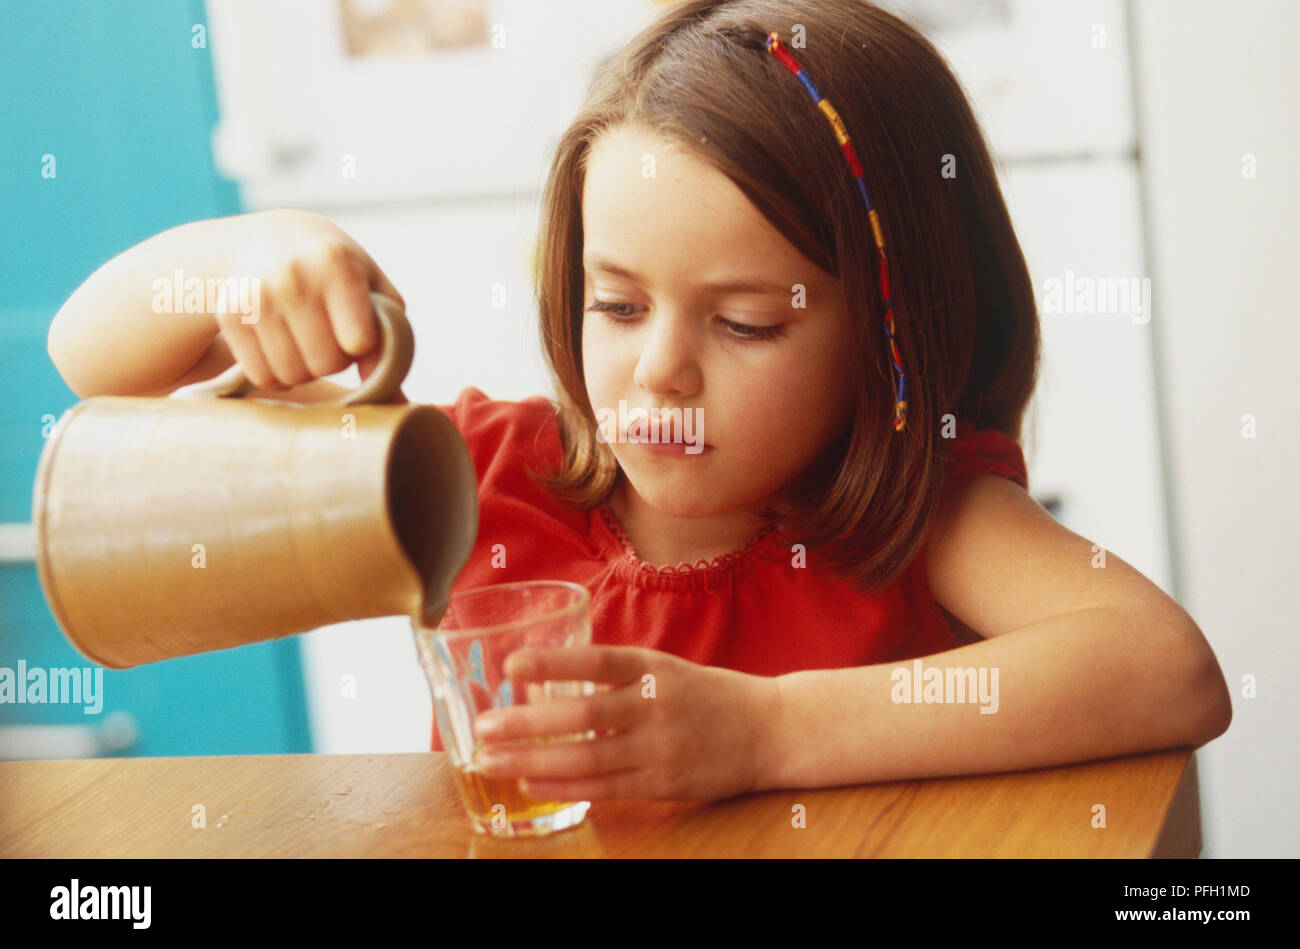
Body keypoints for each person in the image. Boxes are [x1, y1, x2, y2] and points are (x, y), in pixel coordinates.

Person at [48, 0, 1231, 804]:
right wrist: (256, 250)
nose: (658, 372)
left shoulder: (916, 516)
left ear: (888, 340)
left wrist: (760, 735)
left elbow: (1164, 667)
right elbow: (92, 371)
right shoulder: (473, 480)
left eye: (745, 323)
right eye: (616, 307)